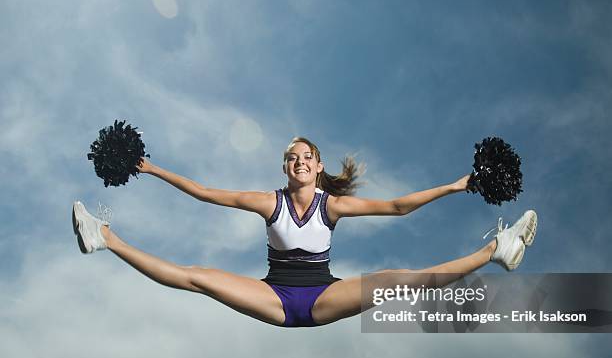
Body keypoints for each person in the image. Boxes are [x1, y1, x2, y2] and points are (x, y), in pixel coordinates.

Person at [72, 137, 537, 328]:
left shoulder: (330, 205)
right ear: (285, 167)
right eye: (291, 157)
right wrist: (149, 167)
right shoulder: (267, 201)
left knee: (404, 278)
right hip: (274, 296)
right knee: (197, 276)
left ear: (317, 166)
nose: (299, 161)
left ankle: (499, 249)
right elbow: (203, 192)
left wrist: (458, 185)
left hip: (321, 297)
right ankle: (105, 238)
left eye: (307, 156)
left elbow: (398, 207)